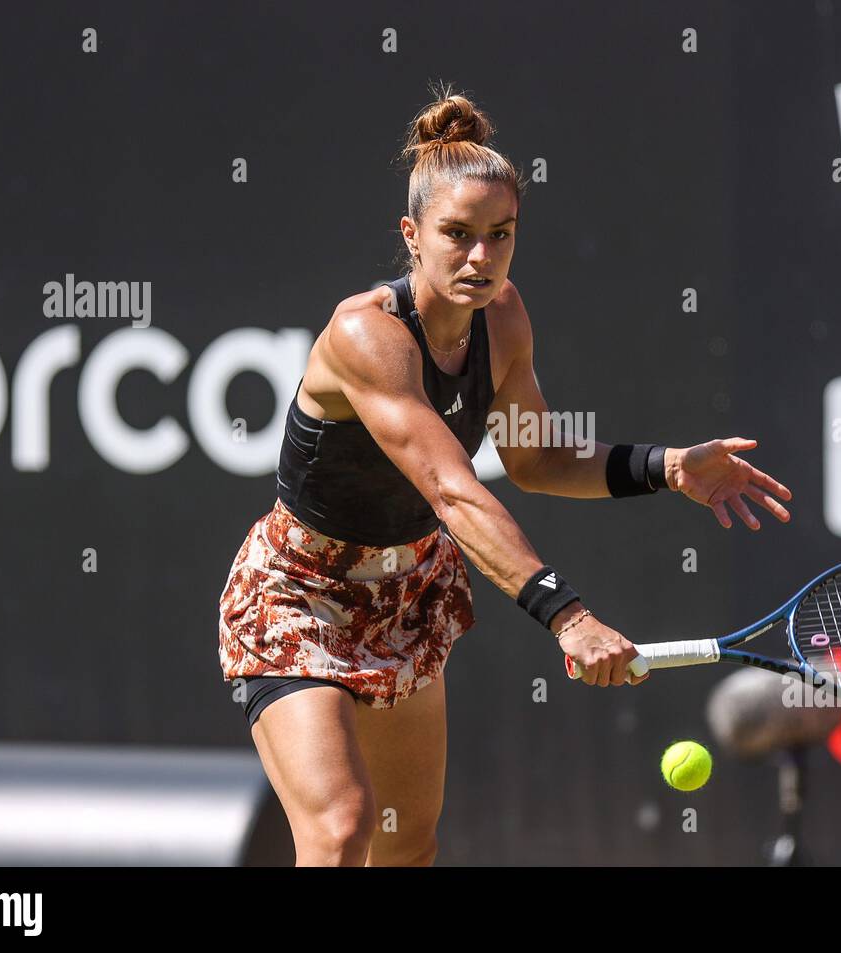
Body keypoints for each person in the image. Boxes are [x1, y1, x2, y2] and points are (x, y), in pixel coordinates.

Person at [218, 87, 793, 866]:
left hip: (410, 592)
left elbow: (537, 458)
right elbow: (452, 489)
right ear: (411, 236)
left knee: (407, 847)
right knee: (342, 830)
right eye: (457, 235)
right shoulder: (367, 336)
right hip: (302, 597)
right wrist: (569, 617)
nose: (480, 257)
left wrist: (670, 468)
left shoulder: (505, 319)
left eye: (501, 235)